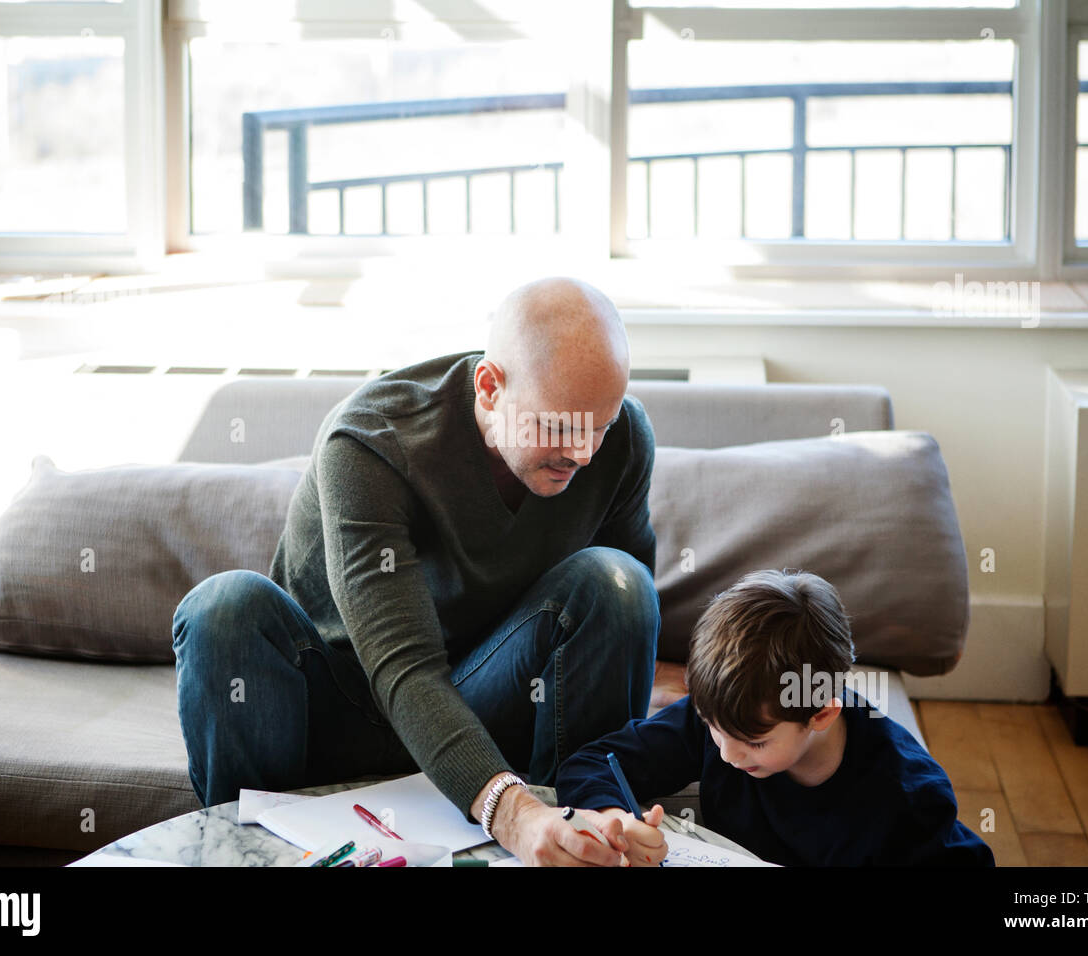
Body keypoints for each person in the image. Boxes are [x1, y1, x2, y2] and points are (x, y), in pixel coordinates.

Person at [173, 276, 660, 866]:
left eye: (599, 425)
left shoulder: (623, 443)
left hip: (485, 703)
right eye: (559, 427)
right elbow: (403, 666)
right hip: (337, 709)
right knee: (223, 607)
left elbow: (624, 626)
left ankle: (585, 838)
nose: (583, 454)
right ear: (489, 386)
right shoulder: (371, 440)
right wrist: (514, 815)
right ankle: (246, 857)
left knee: (619, 584)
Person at [555, 568, 996, 867]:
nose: (726, 754)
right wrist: (617, 819)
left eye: (754, 742)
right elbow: (592, 763)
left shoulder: (907, 798)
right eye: (714, 728)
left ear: (821, 712)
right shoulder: (726, 720)